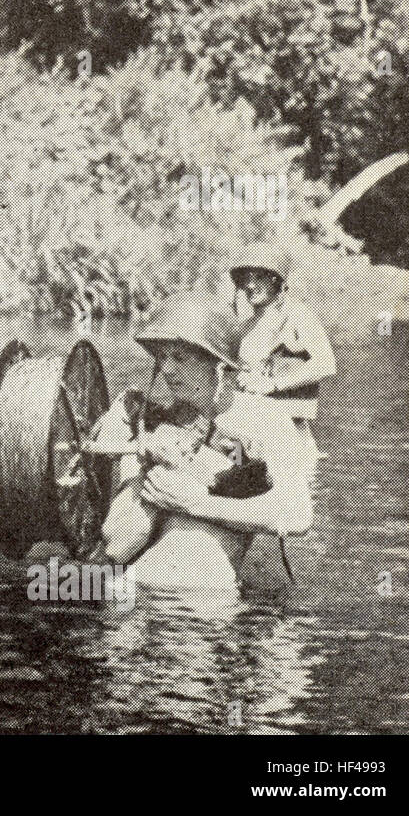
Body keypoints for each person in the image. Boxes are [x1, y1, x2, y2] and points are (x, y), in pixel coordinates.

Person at [88, 291, 313, 590]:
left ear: (218, 367)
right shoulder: (155, 421)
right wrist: (141, 463)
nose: (167, 369)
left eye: (180, 358)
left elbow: (297, 515)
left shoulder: (265, 419)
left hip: (201, 606)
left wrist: (194, 503)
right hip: (134, 587)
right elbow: (117, 543)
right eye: (163, 358)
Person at [229, 243, 335, 461]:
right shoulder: (243, 325)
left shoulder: (298, 316)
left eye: (259, 277)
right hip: (245, 430)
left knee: (293, 486)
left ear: (276, 280)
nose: (250, 284)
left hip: (288, 429)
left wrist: (273, 384)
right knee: (235, 482)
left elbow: (326, 363)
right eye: (246, 278)